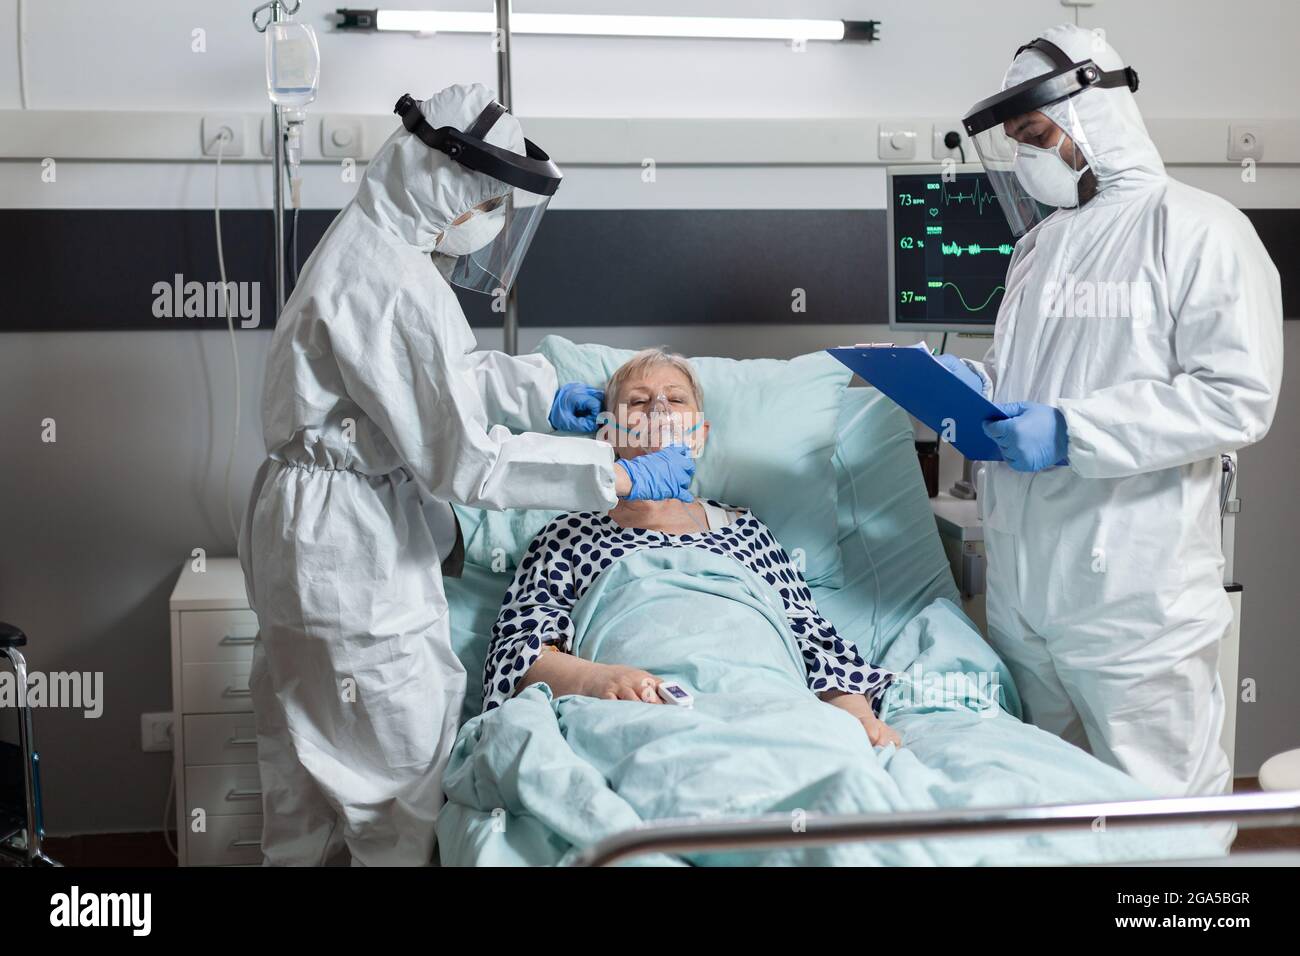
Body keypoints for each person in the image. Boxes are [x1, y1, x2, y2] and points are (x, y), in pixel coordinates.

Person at [238, 85, 694, 866]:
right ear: (441, 178)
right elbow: (468, 463)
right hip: (346, 550)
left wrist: (547, 393)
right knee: (400, 780)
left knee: (305, 769)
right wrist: (615, 477)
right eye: (488, 202)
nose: (491, 225)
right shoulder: (388, 284)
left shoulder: (386, 246)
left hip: (310, 524)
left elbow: (441, 374)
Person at [938, 24, 1283, 804]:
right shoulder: (1040, 248)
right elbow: (1037, 376)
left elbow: (1238, 395)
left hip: (1134, 602)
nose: (1026, 157)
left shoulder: (1198, 229)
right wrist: (973, 386)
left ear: (1095, 114)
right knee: (1037, 804)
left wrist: (1071, 432)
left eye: (1036, 135)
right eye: (1019, 141)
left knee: (1162, 820)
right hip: (1026, 595)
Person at [481, 348, 902, 747]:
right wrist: (600, 681)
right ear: (607, 436)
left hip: (766, 698)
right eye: (638, 401)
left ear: (699, 436)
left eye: (676, 399)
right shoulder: (568, 535)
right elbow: (518, 653)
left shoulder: (745, 529)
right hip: (637, 708)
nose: (658, 410)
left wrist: (857, 717)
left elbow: (813, 641)